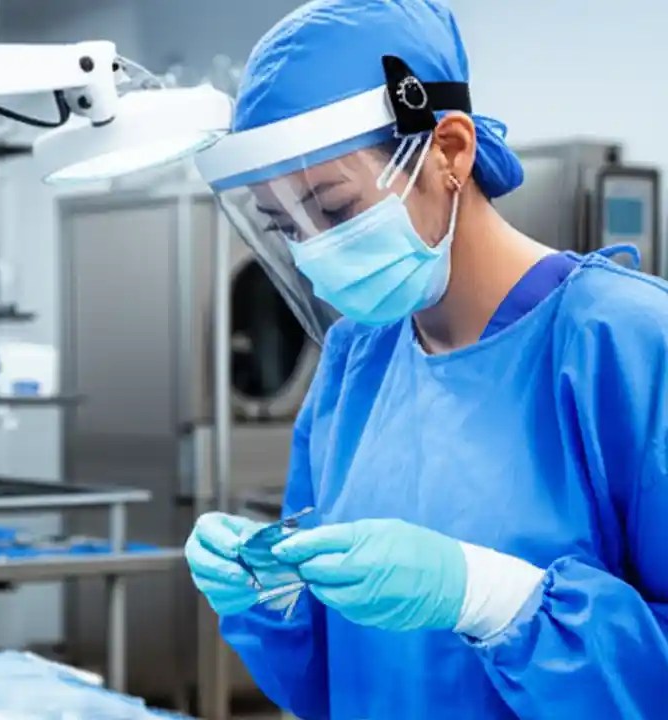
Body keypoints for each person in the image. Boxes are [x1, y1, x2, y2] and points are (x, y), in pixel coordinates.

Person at [183, 0, 668, 718]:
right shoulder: (356, 359)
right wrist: (274, 595)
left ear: (449, 150)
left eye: (336, 210)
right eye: (287, 226)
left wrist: (492, 598)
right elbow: (331, 679)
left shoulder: (626, 344)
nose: (314, 249)